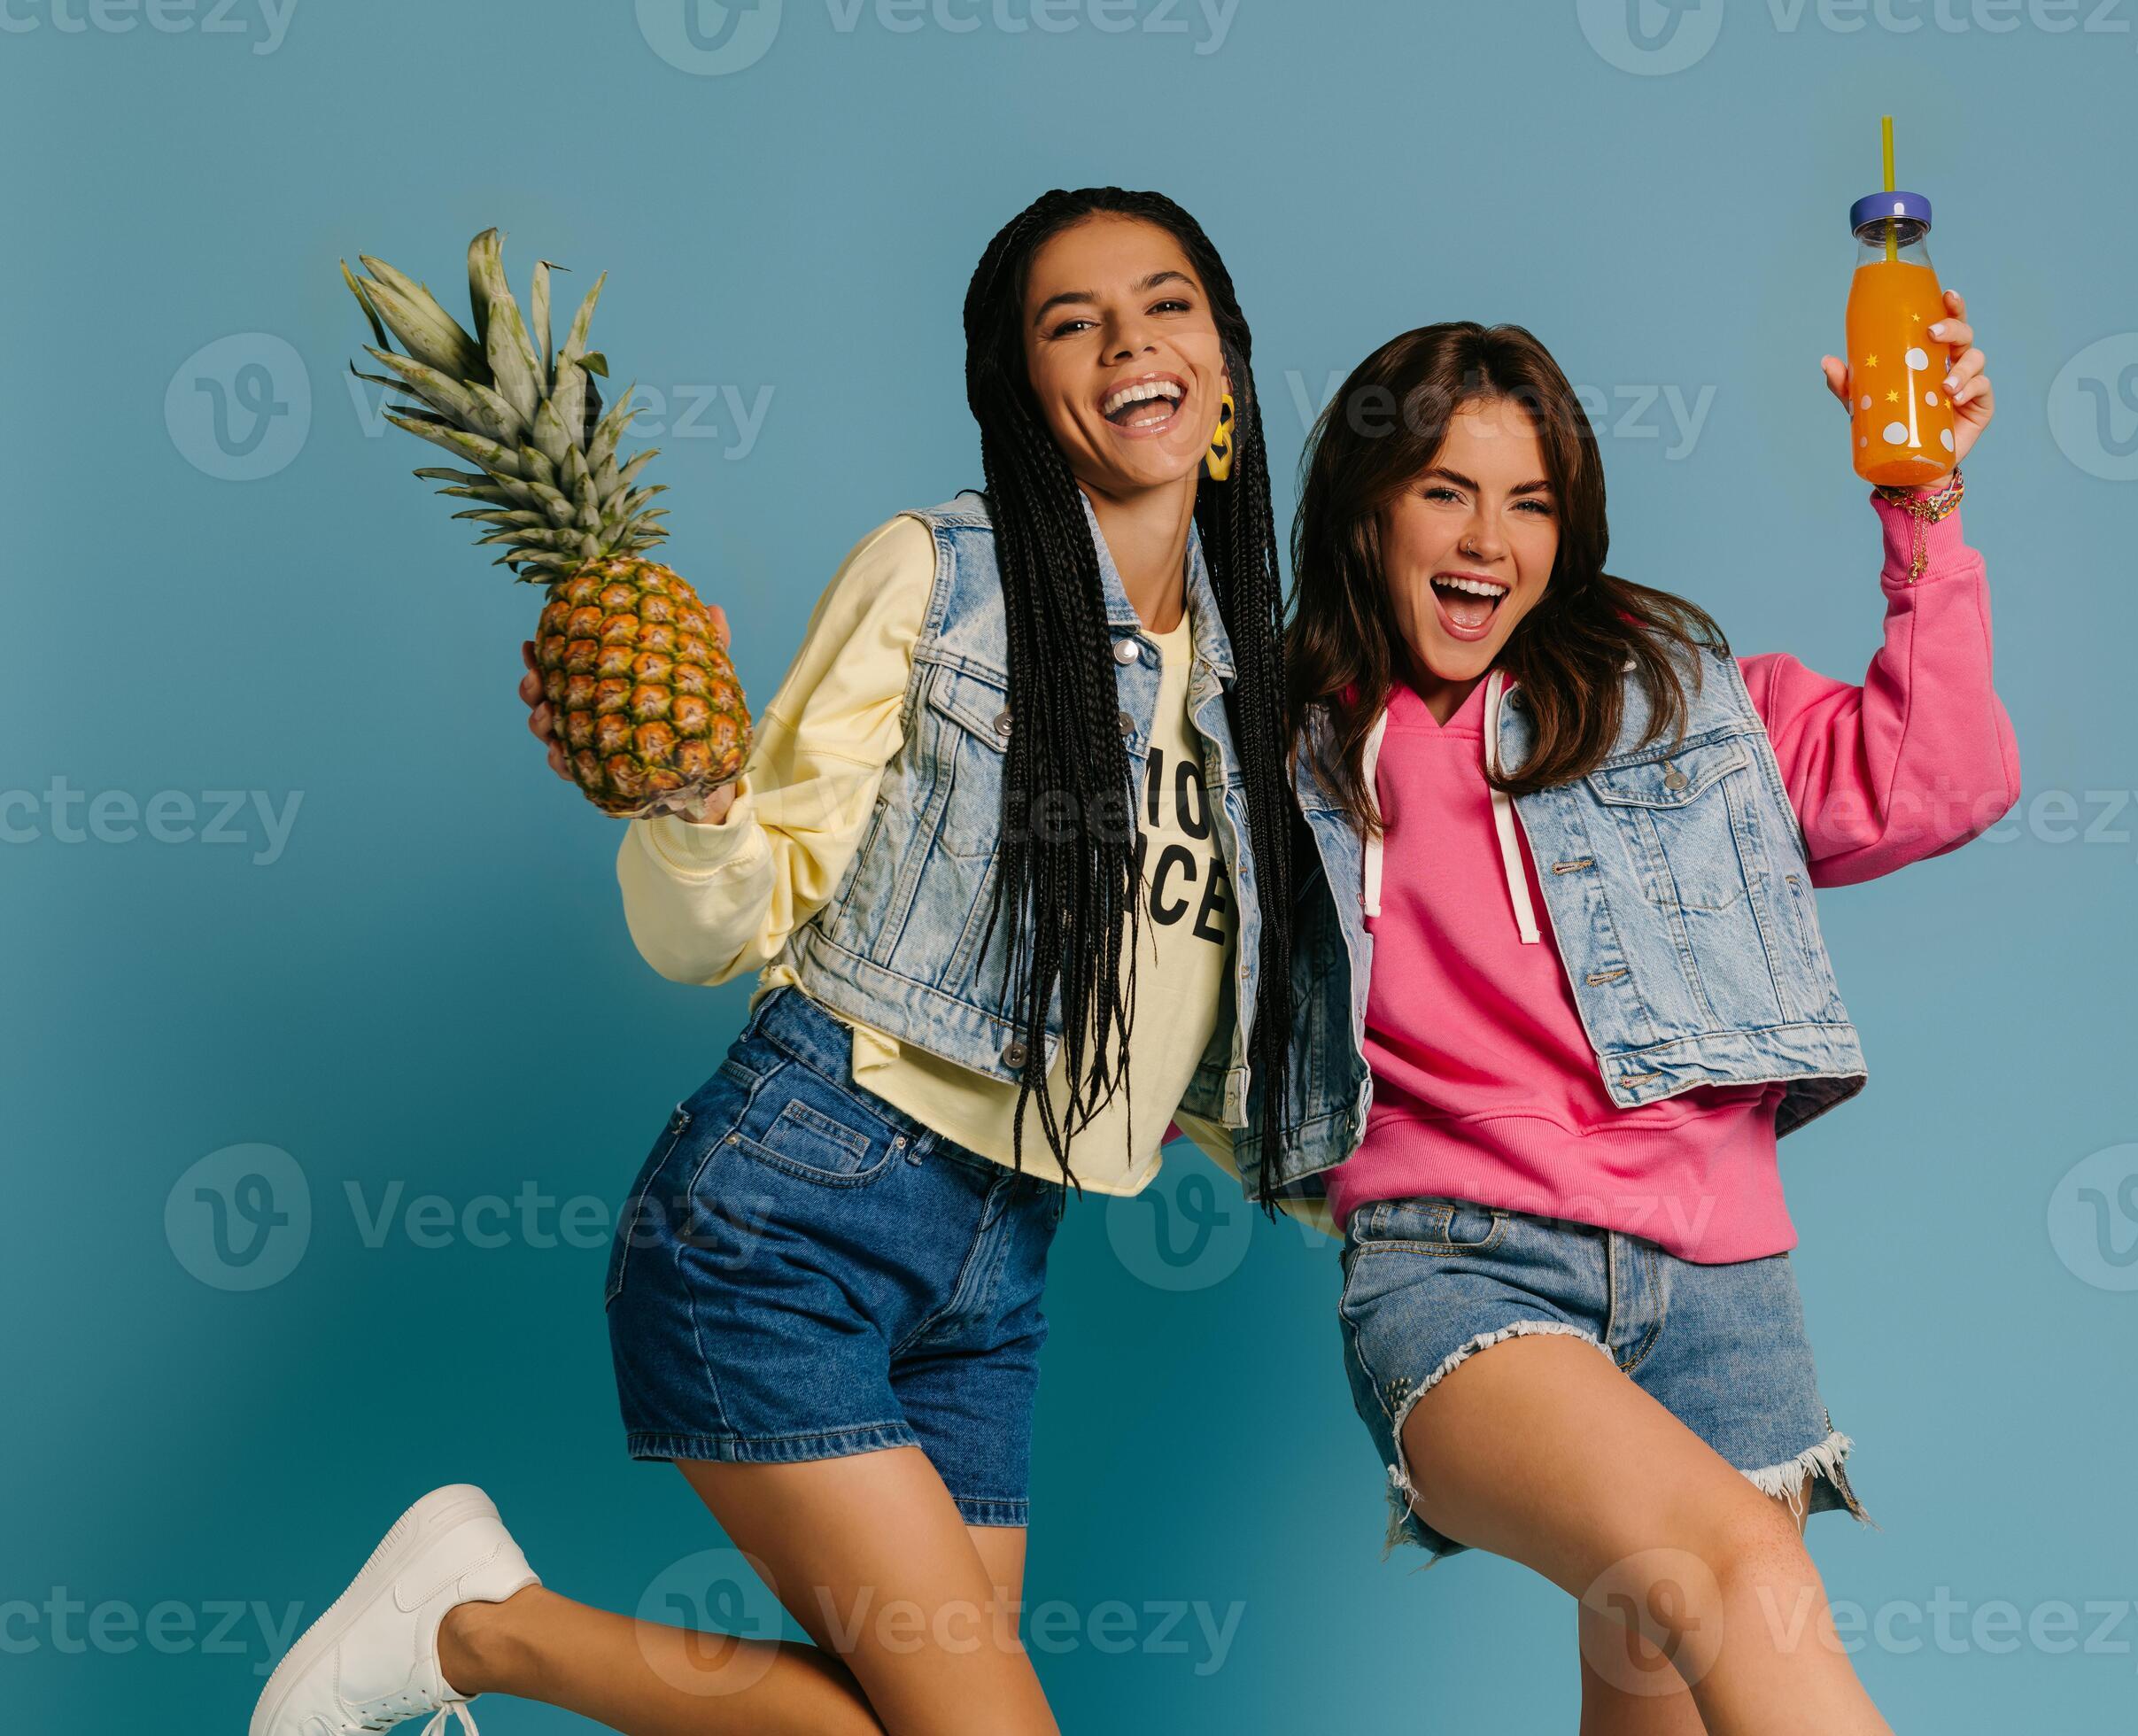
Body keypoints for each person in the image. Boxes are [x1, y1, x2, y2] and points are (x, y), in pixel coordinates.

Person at [251, 187, 1298, 1736]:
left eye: (1168, 305)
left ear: (1226, 361)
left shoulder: (1250, 681)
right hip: (797, 1201)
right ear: (1022, 386)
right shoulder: (941, 577)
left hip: (1003, 1258)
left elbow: (1184, 1041)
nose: (1131, 343)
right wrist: (685, 803)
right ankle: (485, 1635)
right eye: (1073, 322)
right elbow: (734, 917)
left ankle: (465, 1606)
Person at [1269, 314, 2018, 1733]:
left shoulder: (1685, 709)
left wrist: (1924, 507)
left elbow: (1940, 778)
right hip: (1461, 1269)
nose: (1489, 538)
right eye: (1445, 490)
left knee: (1671, 1688)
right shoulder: (1290, 745)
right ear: (1368, 509)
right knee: (1729, 1573)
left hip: (1726, 1296)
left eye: (1531, 502)